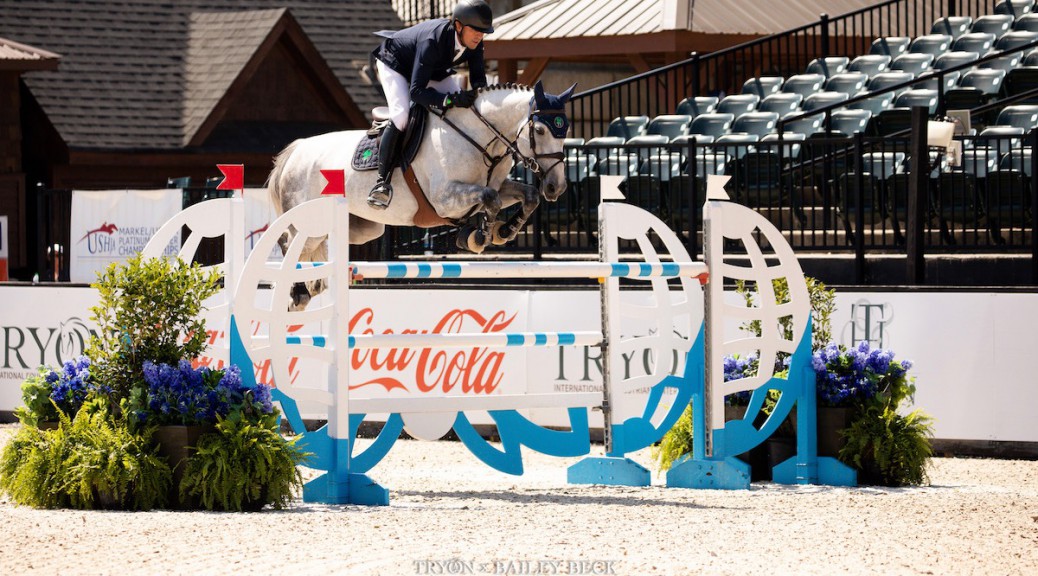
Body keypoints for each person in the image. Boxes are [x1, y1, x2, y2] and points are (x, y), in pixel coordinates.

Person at [367, 0, 494, 209]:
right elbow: (416, 92)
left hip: (431, 69)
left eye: (483, 32)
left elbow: (479, 80)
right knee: (401, 116)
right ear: (458, 26)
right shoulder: (432, 40)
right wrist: (450, 100)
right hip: (396, 64)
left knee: (465, 109)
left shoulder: (475, 42)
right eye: (476, 30)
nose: (480, 36)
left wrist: (480, 100)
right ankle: (382, 182)